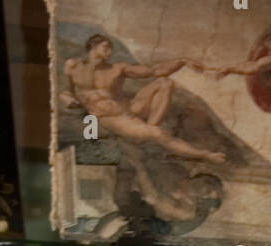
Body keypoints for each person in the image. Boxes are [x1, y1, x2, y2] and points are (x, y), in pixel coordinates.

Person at [61, 34, 225, 164]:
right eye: (106, 47)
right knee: (158, 134)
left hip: (130, 108)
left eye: (111, 48)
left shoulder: (117, 68)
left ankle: (149, 129)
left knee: (164, 83)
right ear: (93, 46)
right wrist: (67, 99)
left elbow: (153, 71)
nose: (109, 52)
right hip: (111, 118)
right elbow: (66, 91)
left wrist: (181, 61)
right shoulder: (73, 65)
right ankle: (205, 155)